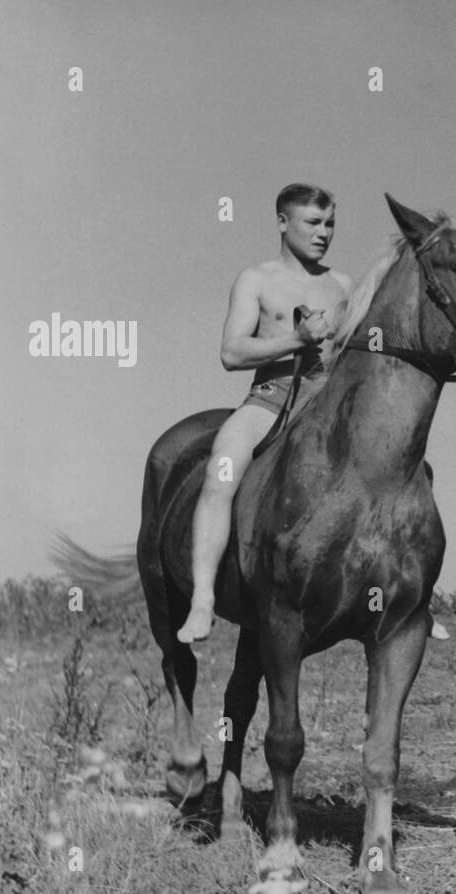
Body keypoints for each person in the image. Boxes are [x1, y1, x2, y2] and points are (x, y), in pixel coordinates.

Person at [176, 183, 350, 643]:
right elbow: (231, 353)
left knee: (404, 467)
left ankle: (412, 600)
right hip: (270, 401)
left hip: (330, 408)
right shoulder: (256, 279)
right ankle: (202, 601)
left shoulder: (344, 285)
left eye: (330, 223)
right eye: (313, 222)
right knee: (221, 471)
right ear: (282, 222)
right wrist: (297, 340)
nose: (324, 233)